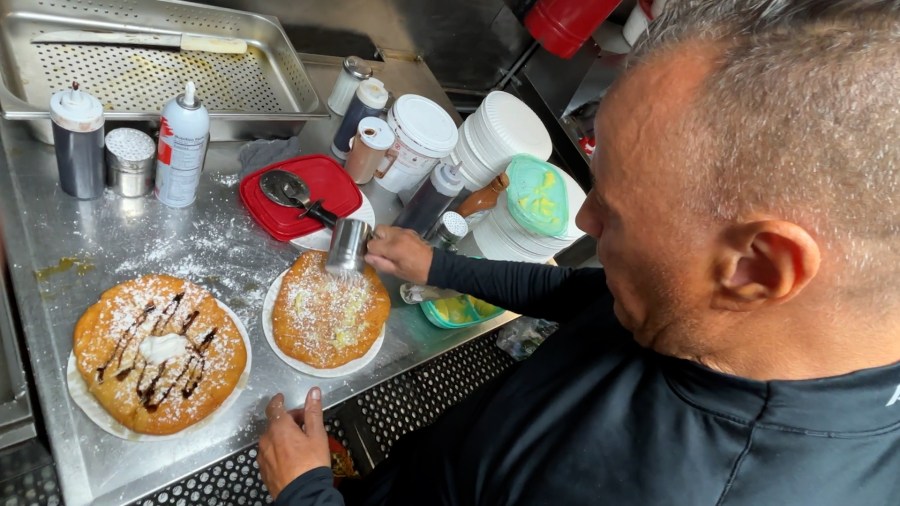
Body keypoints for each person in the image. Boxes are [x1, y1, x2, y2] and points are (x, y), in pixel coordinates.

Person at [258, 0, 900, 504]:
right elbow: (585, 298)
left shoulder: (650, 487)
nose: (585, 220)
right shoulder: (712, 317)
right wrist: (442, 266)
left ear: (758, 267)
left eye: (614, 214)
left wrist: (302, 493)